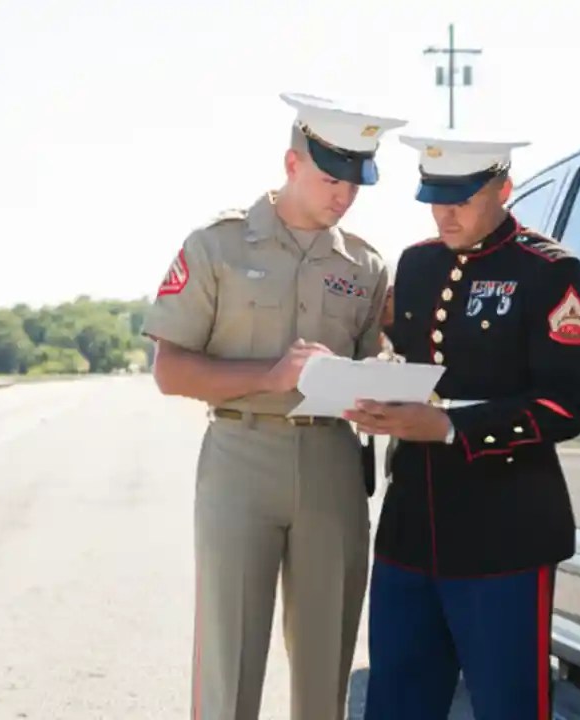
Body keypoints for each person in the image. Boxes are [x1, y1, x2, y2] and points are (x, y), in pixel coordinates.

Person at [140, 91, 405, 720]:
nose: (344, 194)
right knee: (229, 658)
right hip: (241, 455)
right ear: (292, 163)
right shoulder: (217, 246)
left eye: (356, 182)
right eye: (330, 177)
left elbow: (372, 361)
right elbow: (170, 370)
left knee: (325, 666)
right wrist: (271, 372)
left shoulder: (366, 264)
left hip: (333, 464)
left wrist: (385, 385)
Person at [344, 133, 580, 720]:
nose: (445, 213)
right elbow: (408, 363)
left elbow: (566, 405)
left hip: (504, 533)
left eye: (460, 198)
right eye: (435, 197)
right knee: (396, 703)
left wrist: (446, 426)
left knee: (508, 706)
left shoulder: (549, 272)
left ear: (503, 188)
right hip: (411, 526)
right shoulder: (416, 264)